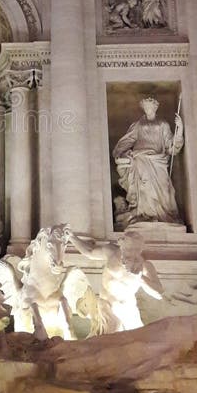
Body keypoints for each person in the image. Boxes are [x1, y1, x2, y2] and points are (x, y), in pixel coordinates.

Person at [66, 230, 164, 331]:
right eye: (129, 248)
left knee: (136, 340)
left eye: (136, 250)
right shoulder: (110, 252)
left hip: (127, 308)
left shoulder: (145, 266)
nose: (132, 252)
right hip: (106, 304)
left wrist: (140, 278)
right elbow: (89, 252)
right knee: (112, 336)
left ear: (140, 249)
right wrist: (72, 237)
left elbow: (159, 293)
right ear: (122, 244)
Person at [113, 96, 183, 224]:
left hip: (158, 161)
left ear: (155, 108)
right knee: (144, 186)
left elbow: (171, 146)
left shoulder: (163, 124)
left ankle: (162, 215)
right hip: (140, 158)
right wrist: (119, 152)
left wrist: (180, 130)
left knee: (164, 187)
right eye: (145, 107)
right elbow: (128, 140)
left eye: (150, 107)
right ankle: (145, 214)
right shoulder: (138, 125)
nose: (148, 109)